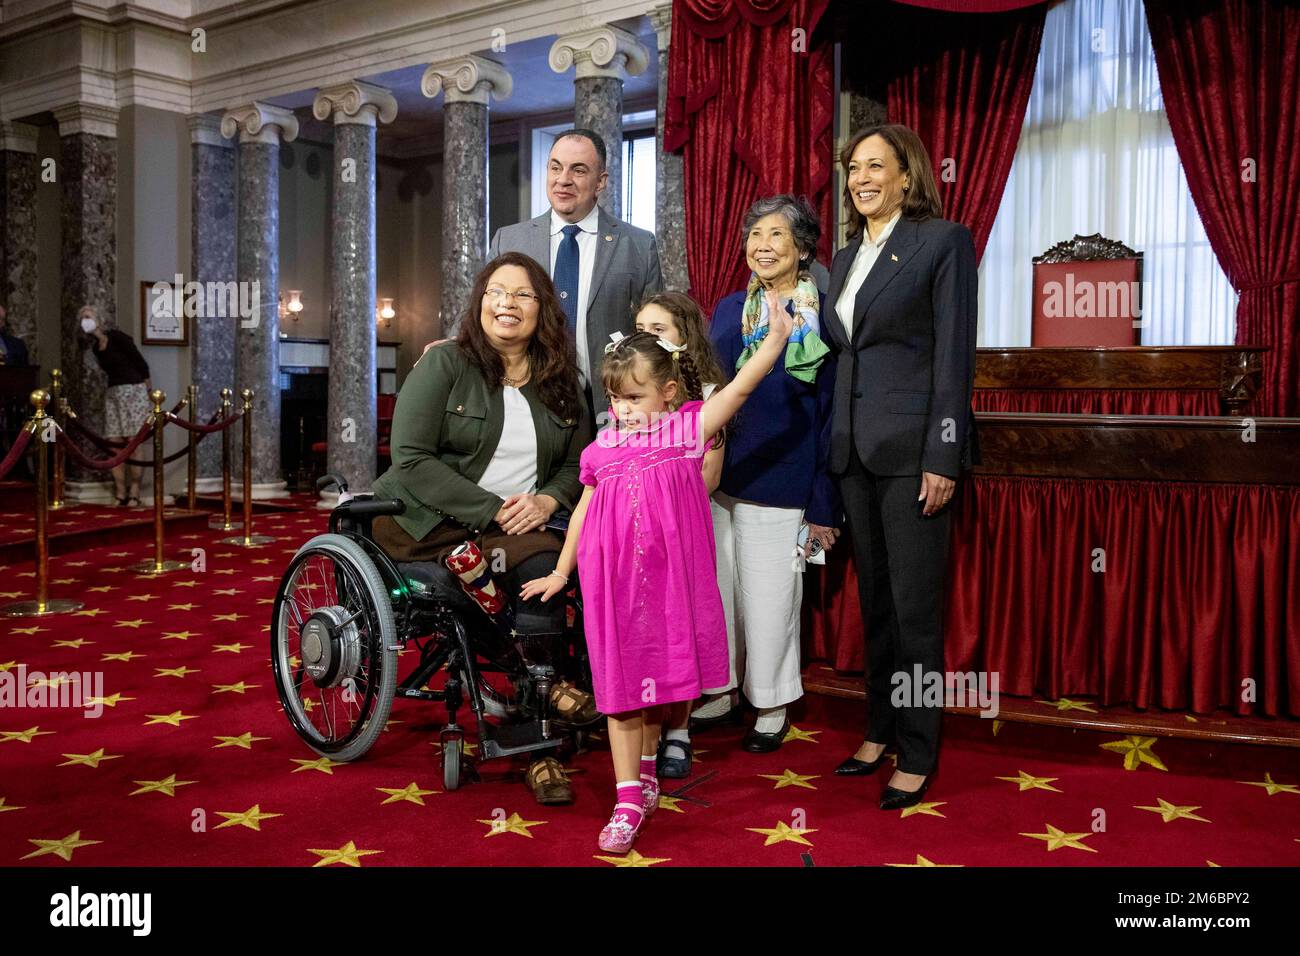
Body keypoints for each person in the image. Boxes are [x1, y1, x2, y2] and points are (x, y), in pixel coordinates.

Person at [521, 302, 794, 855]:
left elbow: (740, 389)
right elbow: (580, 512)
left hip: (667, 590)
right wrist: (561, 568)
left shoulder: (687, 429)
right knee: (621, 693)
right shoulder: (601, 449)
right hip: (611, 587)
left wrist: (775, 340)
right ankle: (627, 798)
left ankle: (646, 769)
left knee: (658, 684)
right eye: (615, 398)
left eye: (635, 398)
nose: (622, 410)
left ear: (669, 392)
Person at [370, 251, 595, 806]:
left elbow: (580, 461)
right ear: (480, 300)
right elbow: (412, 457)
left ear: (543, 309)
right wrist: (492, 508)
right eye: (497, 291)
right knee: (467, 585)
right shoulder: (445, 364)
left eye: (522, 294)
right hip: (428, 523)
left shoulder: (564, 380)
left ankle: (536, 748)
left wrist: (548, 499)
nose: (507, 303)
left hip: (516, 529)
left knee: (546, 572)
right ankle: (549, 696)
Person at [823, 124, 978, 811]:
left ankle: (918, 751)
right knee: (877, 605)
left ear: (907, 176)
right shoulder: (844, 254)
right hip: (853, 452)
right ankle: (879, 729)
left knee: (916, 613)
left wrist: (943, 453)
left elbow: (953, 358)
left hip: (914, 454)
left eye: (875, 166)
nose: (861, 178)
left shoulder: (942, 242)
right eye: (854, 167)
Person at [694, 195, 840, 753]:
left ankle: (772, 702)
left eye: (776, 235)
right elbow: (708, 386)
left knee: (770, 598)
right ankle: (720, 690)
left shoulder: (824, 314)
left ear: (802, 249)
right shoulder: (729, 309)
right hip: (719, 475)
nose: (762, 244)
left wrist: (823, 500)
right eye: (755, 234)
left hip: (784, 479)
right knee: (719, 593)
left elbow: (830, 414)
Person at [629, 291, 727, 778]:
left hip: (683, 530)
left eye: (659, 328)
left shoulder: (705, 400)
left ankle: (680, 731)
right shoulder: (628, 396)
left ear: (683, 337)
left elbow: (708, 476)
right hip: (637, 534)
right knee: (647, 629)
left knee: (682, 625)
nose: (647, 336)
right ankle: (644, 731)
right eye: (640, 327)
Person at [488, 129, 662, 401]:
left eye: (578, 170)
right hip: (525, 399)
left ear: (601, 182)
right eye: (555, 167)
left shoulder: (638, 245)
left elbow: (654, 336)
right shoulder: (508, 241)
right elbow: (483, 317)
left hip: (611, 405)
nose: (563, 180)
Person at [80, 306, 151, 507]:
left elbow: (141, 363)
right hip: (113, 393)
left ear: (99, 319)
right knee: (114, 442)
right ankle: (120, 492)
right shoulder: (96, 347)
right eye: (82, 318)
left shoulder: (118, 338)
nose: (84, 321)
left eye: (88, 316)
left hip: (133, 390)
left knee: (133, 441)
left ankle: (134, 491)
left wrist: (147, 392)